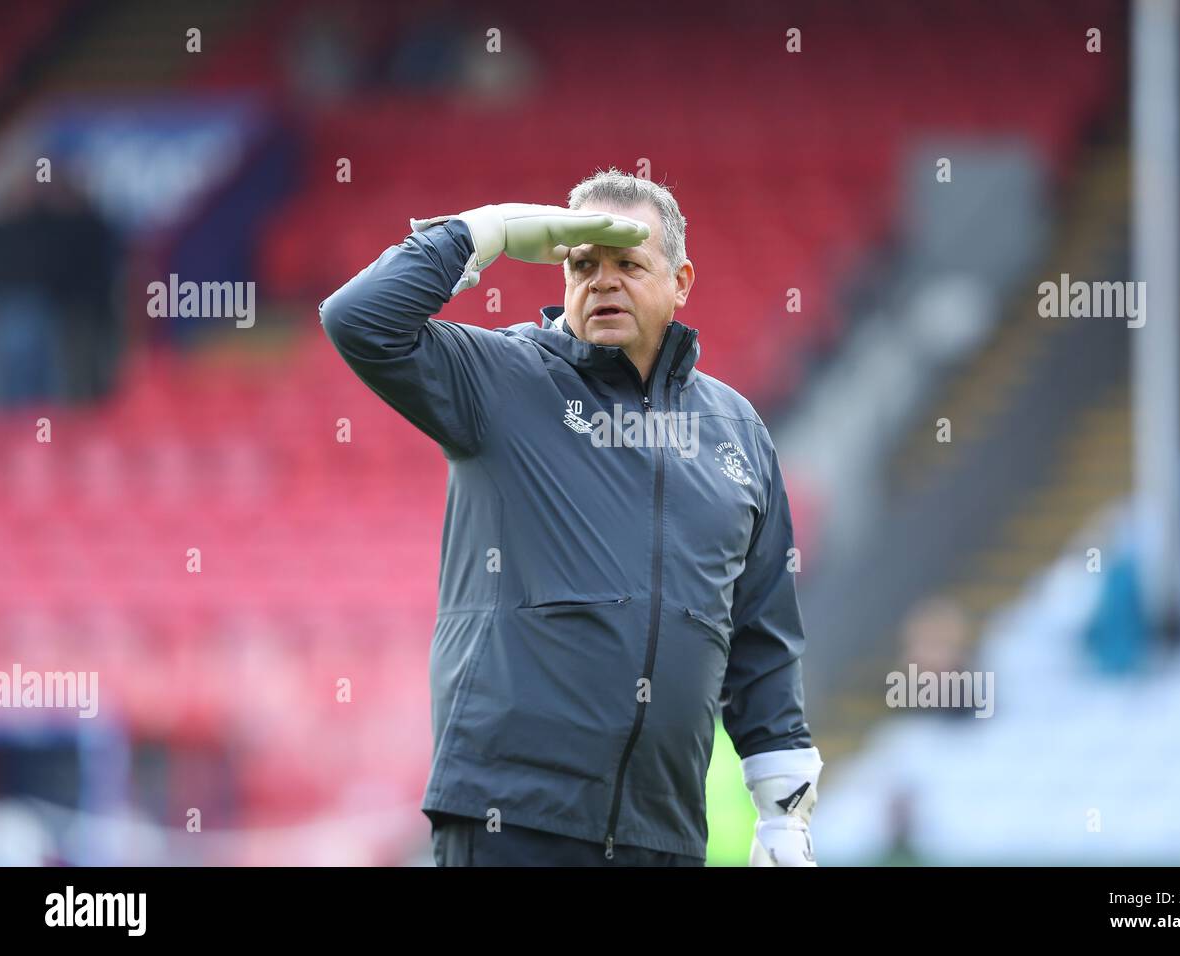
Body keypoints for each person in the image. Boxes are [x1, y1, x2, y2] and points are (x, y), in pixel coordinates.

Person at [319, 168, 821, 866]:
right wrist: (484, 230)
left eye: (627, 264)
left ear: (681, 282)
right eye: (583, 264)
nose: (603, 281)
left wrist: (781, 817)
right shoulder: (503, 377)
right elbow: (358, 318)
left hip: (663, 834)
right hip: (510, 819)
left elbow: (762, 637)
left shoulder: (737, 430)